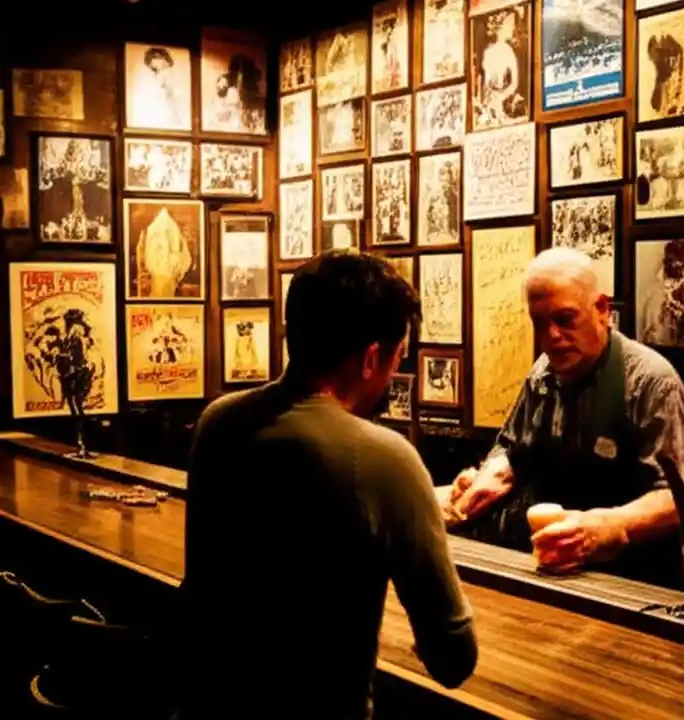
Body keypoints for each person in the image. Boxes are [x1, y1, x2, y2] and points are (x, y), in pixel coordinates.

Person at [180, 251, 477, 719]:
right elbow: (452, 658)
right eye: (397, 358)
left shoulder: (217, 422)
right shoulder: (385, 457)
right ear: (372, 358)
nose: (393, 374)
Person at [438, 247, 684, 588]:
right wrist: (490, 476)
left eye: (564, 319)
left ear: (602, 309)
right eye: (540, 323)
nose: (551, 337)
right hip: (553, 570)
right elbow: (511, 447)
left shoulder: (651, 383)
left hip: (632, 582)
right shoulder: (543, 374)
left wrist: (608, 526)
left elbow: (678, 500)